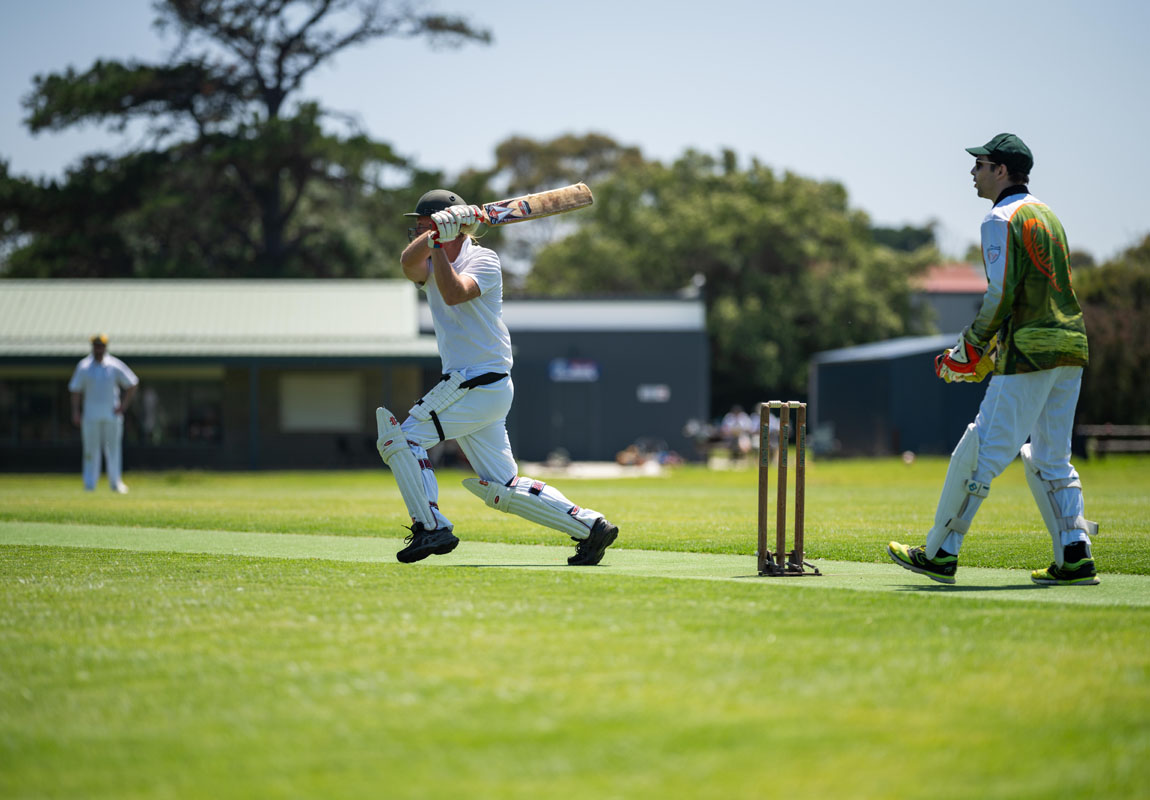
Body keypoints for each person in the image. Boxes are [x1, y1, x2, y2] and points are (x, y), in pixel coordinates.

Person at [887, 133, 1097, 586]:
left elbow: (1001, 293)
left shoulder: (999, 218)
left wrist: (972, 347)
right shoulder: (1049, 216)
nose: (973, 172)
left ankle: (941, 552)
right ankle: (1075, 555)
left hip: (1029, 350)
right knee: (1051, 457)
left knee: (978, 448)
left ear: (1001, 170)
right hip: (1071, 344)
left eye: (980, 164)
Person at [375, 189, 619, 565]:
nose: (420, 235)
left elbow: (455, 294)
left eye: (426, 226)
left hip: (477, 380)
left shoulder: (484, 259)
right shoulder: (427, 258)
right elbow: (408, 264)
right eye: (419, 229)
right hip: (475, 385)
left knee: (402, 441)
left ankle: (430, 527)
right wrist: (436, 236)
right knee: (502, 487)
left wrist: (440, 242)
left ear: (456, 227)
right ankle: (591, 528)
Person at [69, 334, 139, 493]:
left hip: (112, 415)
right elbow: (75, 390)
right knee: (90, 450)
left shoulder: (114, 365)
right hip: (90, 416)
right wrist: (75, 411)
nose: (98, 349)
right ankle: (89, 484)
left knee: (113, 450)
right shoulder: (84, 366)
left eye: (101, 346)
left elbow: (132, 383)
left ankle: (116, 483)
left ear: (105, 347)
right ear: (92, 347)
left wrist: (123, 406)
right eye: (96, 346)